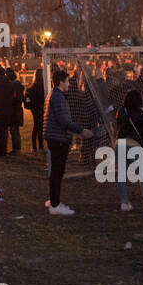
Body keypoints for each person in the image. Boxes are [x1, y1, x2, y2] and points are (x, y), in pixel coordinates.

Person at [44, 69, 96, 215]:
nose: (69, 84)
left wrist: (75, 133)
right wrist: (81, 130)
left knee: (56, 171)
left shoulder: (56, 95)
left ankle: (54, 200)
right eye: (67, 81)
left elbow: (60, 120)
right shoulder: (58, 97)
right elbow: (63, 120)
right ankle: (55, 205)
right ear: (61, 82)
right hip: (58, 139)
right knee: (57, 172)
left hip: (57, 137)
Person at [24, 67, 45, 154]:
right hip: (41, 108)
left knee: (36, 127)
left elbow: (27, 99)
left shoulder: (31, 86)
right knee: (39, 128)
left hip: (34, 109)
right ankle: (39, 147)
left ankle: (34, 147)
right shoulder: (43, 86)